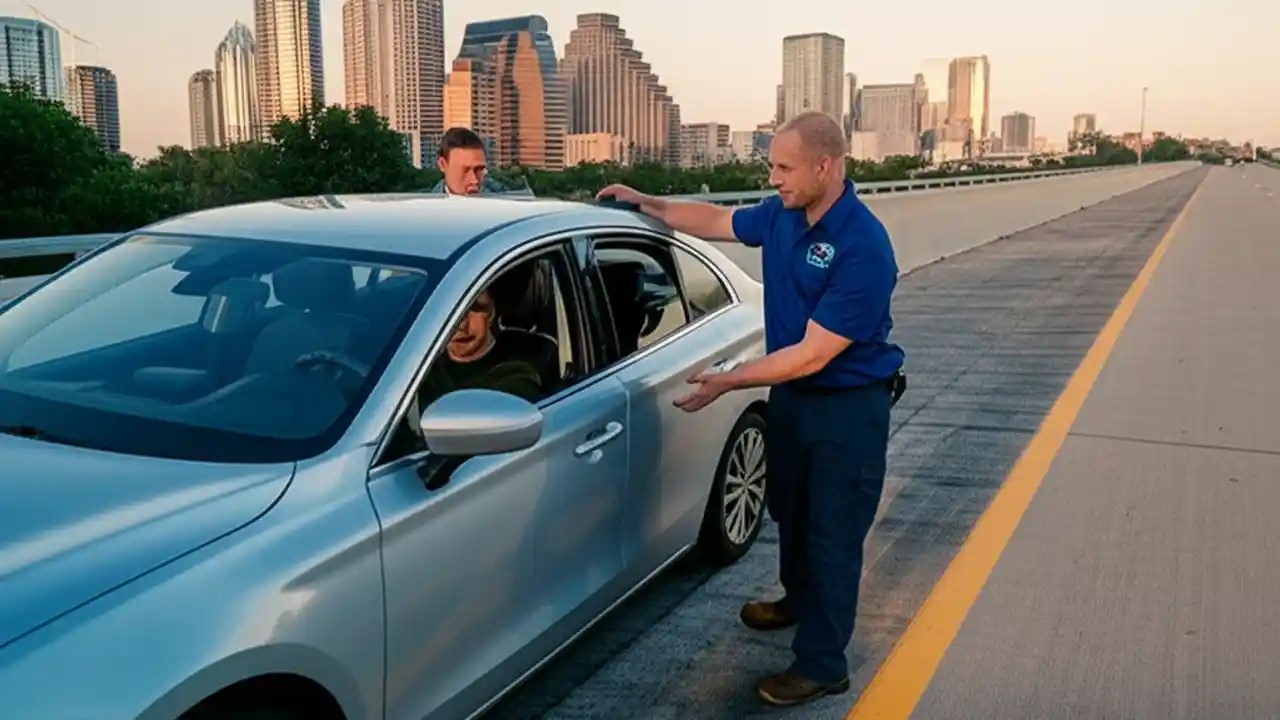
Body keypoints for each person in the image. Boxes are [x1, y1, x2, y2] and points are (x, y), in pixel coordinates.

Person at [596, 111, 904, 708]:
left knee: (832, 535)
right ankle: (797, 599)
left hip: (847, 410)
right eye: (772, 165)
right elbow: (714, 219)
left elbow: (814, 355)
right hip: (794, 400)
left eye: (785, 167)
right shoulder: (783, 214)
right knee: (789, 511)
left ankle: (822, 662)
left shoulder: (864, 246)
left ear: (826, 166)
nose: (775, 177)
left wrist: (728, 381)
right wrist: (649, 203)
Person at [417, 288, 542, 405]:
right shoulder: (417, 370)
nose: (461, 325)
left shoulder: (518, 371)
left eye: (474, 309)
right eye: (451, 311)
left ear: (492, 312)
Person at [437, 127, 488, 196]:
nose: (474, 180)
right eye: (465, 170)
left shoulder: (502, 200)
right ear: (442, 164)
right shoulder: (424, 205)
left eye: (479, 169)